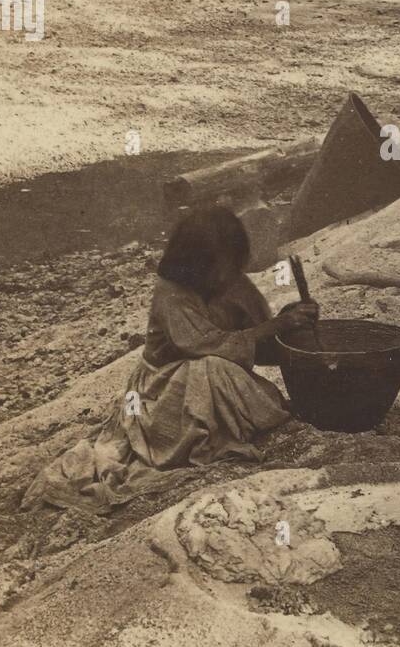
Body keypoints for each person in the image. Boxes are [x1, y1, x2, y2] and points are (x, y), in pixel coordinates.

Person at [23, 205, 318, 513]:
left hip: (211, 379)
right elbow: (207, 345)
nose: (226, 273)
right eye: (218, 264)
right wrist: (273, 327)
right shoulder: (172, 293)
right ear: (195, 263)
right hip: (163, 389)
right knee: (210, 369)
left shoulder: (235, 284)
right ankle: (201, 439)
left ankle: (225, 426)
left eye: (231, 262)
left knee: (218, 372)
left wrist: (292, 322)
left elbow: (259, 348)